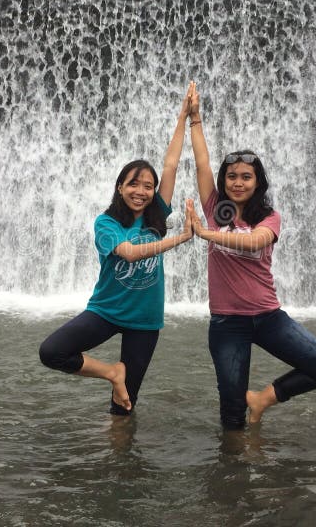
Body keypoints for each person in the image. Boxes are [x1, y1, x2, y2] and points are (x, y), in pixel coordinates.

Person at [185, 85, 316, 429]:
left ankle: (264, 398)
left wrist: (206, 234)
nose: (238, 183)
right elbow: (201, 163)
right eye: (232, 177)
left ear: (257, 182)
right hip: (227, 323)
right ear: (224, 182)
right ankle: (234, 473)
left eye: (246, 177)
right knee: (230, 415)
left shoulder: (268, 217)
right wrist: (194, 119)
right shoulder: (215, 208)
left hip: (268, 317)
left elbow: (255, 242)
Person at [38, 83, 196, 415]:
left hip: (145, 320)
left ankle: (118, 454)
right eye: (133, 184)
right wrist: (182, 238)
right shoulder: (106, 223)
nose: (141, 191)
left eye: (148, 186)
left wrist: (184, 117)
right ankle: (112, 372)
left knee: (125, 404)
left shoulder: (157, 216)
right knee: (52, 351)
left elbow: (170, 165)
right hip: (106, 312)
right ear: (120, 187)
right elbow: (130, 253)